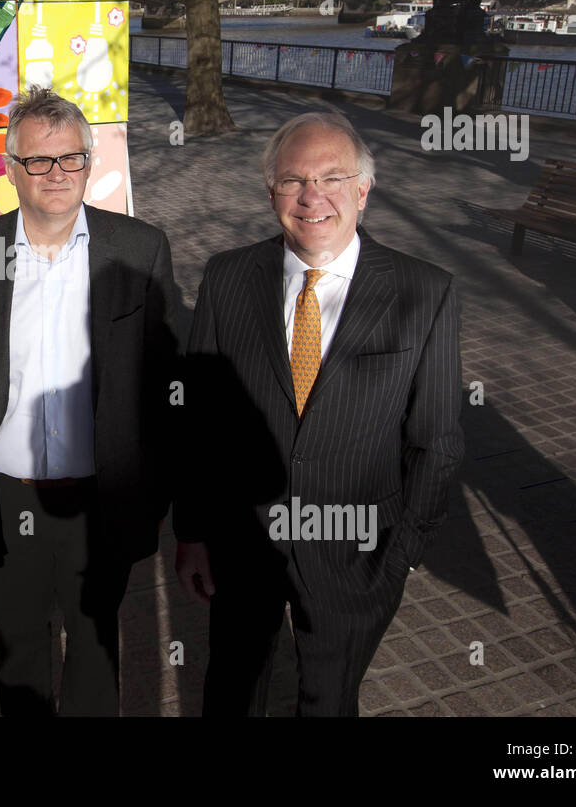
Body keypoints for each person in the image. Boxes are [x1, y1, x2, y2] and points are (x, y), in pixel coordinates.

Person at [174, 110, 464, 716]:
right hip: (243, 540)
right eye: (292, 181)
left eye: (332, 178)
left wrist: (402, 554)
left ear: (362, 189)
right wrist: (194, 533)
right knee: (231, 689)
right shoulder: (227, 277)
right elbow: (199, 422)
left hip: (357, 551)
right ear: (270, 191)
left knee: (330, 702)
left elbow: (435, 440)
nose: (312, 198)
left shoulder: (424, 291)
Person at [0, 86, 180, 716]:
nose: (57, 174)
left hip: (102, 495)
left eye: (71, 159)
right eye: (39, 161)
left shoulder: (140, 251)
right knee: (19, 650)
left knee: (95, 645)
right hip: (5, 501)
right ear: (11, 170)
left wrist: (153, 494)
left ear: (90, 164)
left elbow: (167, 381)